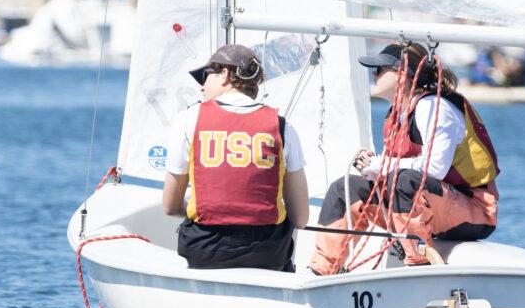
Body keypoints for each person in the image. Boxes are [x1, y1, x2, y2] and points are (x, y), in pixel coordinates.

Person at [309, 41, 499, 275]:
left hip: (474, 210)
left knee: (404, 180)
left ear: (402, 74)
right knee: (344, 189)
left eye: (380, 69)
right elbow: (397, 170)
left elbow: (435, 169)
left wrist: (382, 165)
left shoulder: (432, 107)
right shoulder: (398, 113)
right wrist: (371, 166)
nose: (374, 74)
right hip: (428, 205)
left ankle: (417, 263)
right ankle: (320, 271)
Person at [162, 43, 309, 271]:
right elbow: (300, 218)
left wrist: (210, 207)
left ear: (224, 75)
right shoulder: (283, 128)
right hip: (268, 254)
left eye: (205, 76)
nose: (201, 87)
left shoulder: (188, 120)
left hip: (206, 252)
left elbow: (170, 206)